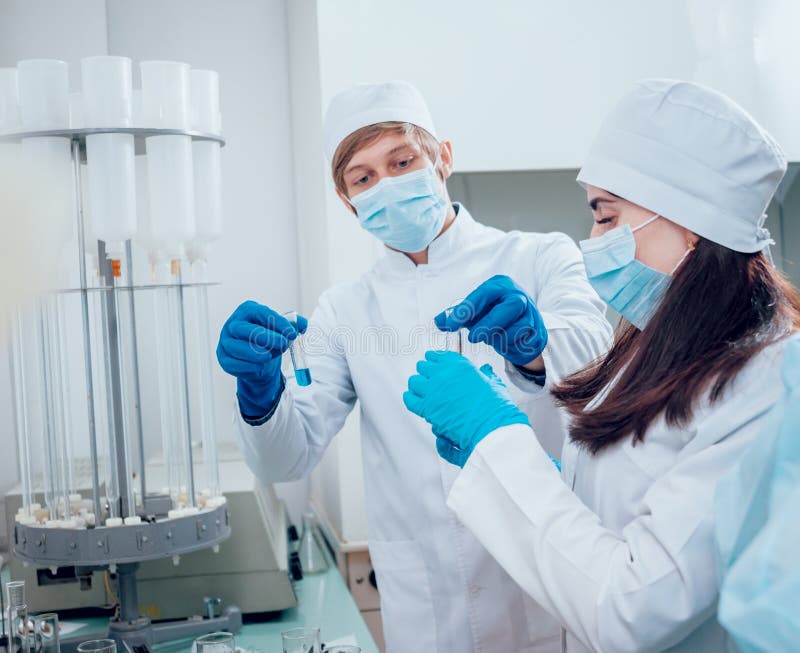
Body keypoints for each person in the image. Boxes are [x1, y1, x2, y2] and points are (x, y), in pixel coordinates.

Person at [404, 78, 800, 652]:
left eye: (607, 216)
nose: (593, 239)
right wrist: (513, 464)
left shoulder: (765, 381)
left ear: (691, 221)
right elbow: (619, 509)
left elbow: (633, 609)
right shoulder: (662, 344)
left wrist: (498, 442)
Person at [217, 80, 612, 652]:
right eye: (363, 177)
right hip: (427, 612)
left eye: (402, 161)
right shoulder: (346, 309)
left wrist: (531, 344)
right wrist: (260, 392)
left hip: (545, 594)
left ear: (442, 159)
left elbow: (595, 355)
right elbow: (286, 457)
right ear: (346, 200)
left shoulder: (538, 256)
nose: (387, 185)